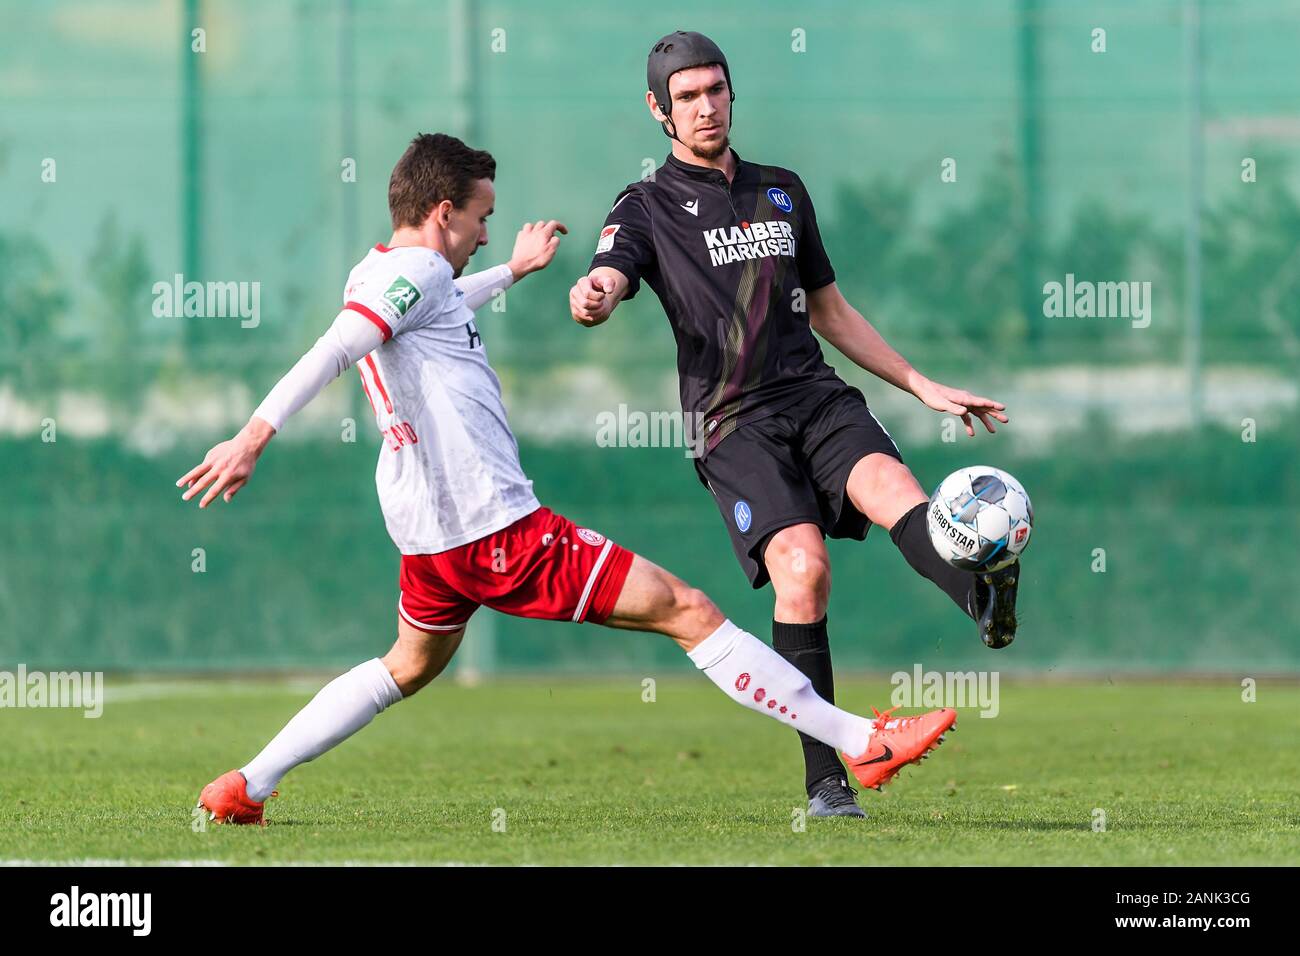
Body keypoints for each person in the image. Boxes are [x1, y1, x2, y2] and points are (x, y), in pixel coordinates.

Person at [179, 132, 954, 826]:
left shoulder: (389, 270)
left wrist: (511, 272)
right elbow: (338, 345)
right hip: (496, 530)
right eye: (482, 218)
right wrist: (253, 436)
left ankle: (249, 781)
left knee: (406, 666)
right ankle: (861, 741)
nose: (486, 234)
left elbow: (434, 304)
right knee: (688, 609)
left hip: (427, 536)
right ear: (443, 211)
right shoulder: (415, 268)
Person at [570, 31, 1018, 818]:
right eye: (687, 97)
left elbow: (833, 312)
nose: (705, 106)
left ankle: (983, 593)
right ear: (658, 110)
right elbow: (613, 267)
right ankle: (829, 780)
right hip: (732, 422)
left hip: (814, 395)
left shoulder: (783, 189)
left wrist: (920, 385)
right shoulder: (645, 205)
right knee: (804, 571)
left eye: (716, 90)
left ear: (732, 93)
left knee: (897, 491)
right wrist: (596, 291)